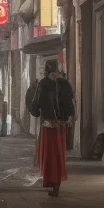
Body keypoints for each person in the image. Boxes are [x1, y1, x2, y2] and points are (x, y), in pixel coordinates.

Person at [30, 60, 73, 197]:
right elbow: (70, 104)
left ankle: (50, 181)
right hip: (60, 125)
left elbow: (35, 104)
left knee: (48, 153)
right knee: (59, 154)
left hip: (47, 125)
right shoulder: (64, 84)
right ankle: (56, 183)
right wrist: (68, 117)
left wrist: (36, 112)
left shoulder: (43, 83)